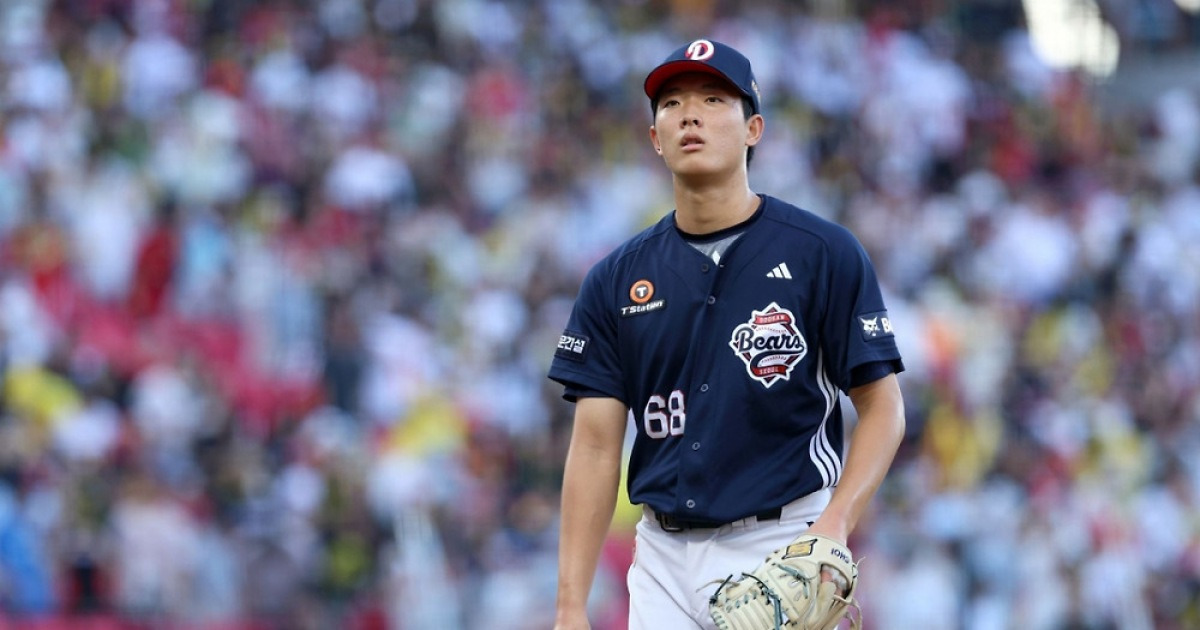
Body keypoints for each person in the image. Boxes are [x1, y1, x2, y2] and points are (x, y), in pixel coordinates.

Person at [548, 38, 906, 629]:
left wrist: (833, 525)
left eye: (714, 99)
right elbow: (593, 445)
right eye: (671, 103)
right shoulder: (615, 279)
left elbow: (883, 408)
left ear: (753, 129)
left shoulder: (823, 253)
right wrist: (568, 609)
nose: (690, 113)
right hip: (661, 556)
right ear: (655, 138)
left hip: (783, 543)